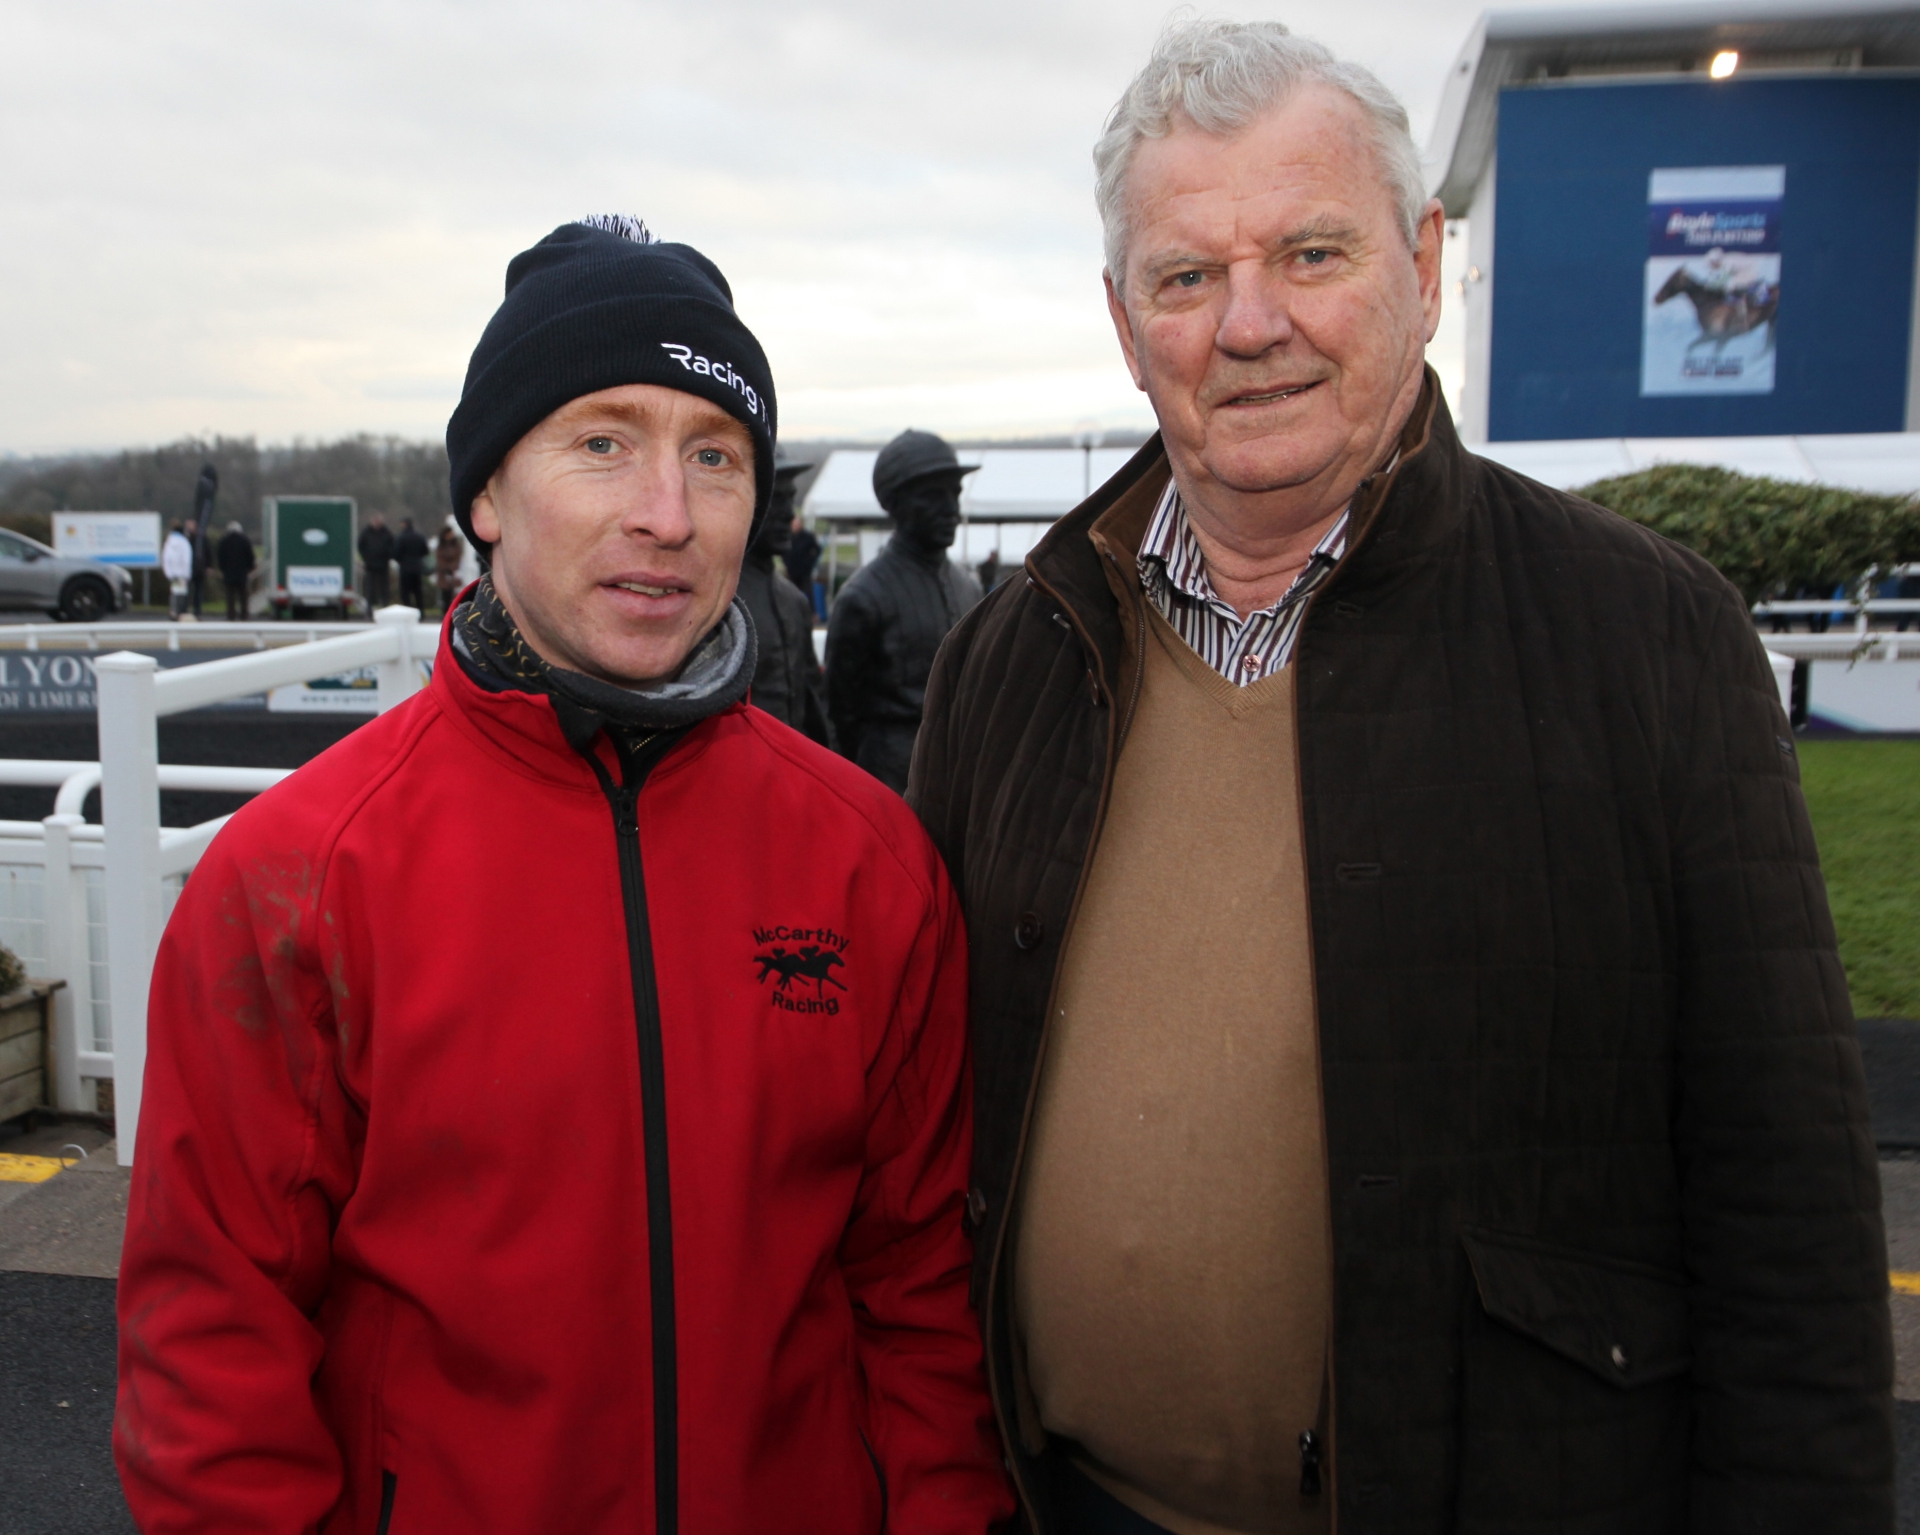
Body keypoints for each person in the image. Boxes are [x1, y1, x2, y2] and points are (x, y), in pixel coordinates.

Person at [909, 21, 1892, 1534]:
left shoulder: (1647, 634)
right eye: (1188, 276)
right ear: (1124, 322)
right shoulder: (1011, 659)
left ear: (1424, 266)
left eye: (1312, 254)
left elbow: (1789, 1211)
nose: (1251, 324)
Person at [115, 216, 1010, 1535]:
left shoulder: (870, 864)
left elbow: (922, 1299)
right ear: (486, 494)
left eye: (715, 455)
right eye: (603, 443)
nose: (667, 512)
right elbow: (211, 1350)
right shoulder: (298, 877)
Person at [825, 430, 982, 793]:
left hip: (961, 774)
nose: (951, 509)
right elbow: (841, 714)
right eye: (934, 495)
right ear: (897, 504)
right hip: (891, 779)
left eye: (954, 493)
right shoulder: (863, 598)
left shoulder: (969, 587)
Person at [736, 454, 827, 742]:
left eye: (790, 499)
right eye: (776, 500)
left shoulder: (794, 600)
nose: (789, 514)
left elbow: (813, 698)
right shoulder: (716, 602)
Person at [191, 463, 218, 617]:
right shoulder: (210, 489)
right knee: (198, 589)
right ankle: (197, 611)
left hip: (195, 564)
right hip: (199, 564)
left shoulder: (203, 487)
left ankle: (190, 610)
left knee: (193, 588)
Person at [785, 514, 824, 620]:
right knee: (791, 593)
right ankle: (793, 613)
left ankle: (813, 614)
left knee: (809, 592)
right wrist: (786, 562)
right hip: (792, 570)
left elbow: (817, 549)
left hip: (805, 570)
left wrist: (810, 562)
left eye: (797, 524)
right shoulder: (789, 536)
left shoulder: (807, 537)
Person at [216, 520, 254, 621]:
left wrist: (223, 569)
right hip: (242, 573)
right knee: (243, 596)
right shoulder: (245, 540)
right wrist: (249, 568)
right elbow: (250, 556)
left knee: (230, 596)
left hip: (229, 573)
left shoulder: (224, 541)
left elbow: (220, 557)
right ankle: (244, 615)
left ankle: (231, 615)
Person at [358, 511, 395, 609]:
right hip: (370, 565)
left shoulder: (386, 532)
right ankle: (369, 609)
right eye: (375, 521)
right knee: (370, 589)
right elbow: (360, 546)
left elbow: (392, 545)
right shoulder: (366, 532)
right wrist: (366, 558)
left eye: (378, 521)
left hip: (383, 564)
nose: (377, 522)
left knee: (384, 589)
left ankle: (385, 607)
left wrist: (388, 556)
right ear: (372, 521)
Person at [160, 518, 194, 620]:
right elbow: (186, 560)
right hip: (182, 573)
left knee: (175, 592)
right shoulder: (184, 543)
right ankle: (180, 613)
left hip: (173, 574)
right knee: (182, 593)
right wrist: (187, 573)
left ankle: (173, 611)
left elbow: (165, 558)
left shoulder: (169, 543)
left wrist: (168, 572)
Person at [394, 516, 429, 611]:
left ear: (403, 524)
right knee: (418, 591)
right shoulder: (419, 536)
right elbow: (425, 551)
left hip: (405, 568)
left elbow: (395, 553)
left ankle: (407, 610)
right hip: (417, 567)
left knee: (405, 592)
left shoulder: (401, 537)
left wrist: (401, 560)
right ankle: (421, 612)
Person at [433, 515, 465, 614]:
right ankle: (445, 613)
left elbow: (458, 555)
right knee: (445, 595)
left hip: (453, 572)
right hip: (444, 573)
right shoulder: (441, 545)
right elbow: (440, 557)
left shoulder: (455, 544)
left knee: (454, 594)